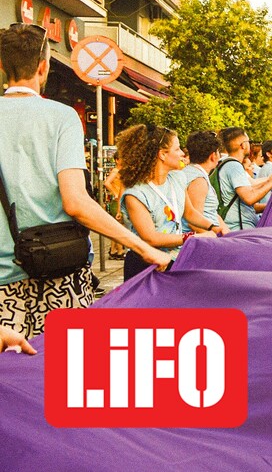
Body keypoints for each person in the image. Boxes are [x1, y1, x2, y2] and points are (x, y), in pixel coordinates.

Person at [0, 24, 169, 336]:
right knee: (66, 375)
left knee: (9, 380)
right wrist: (143, 247)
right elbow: (75, 202)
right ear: (43, 66)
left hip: (2, 285)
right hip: (59, 275)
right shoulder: (60, 117)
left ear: (2, 66)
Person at [117, 124, 218, 280]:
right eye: (177, 149)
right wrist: (191, 238)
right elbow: (151, 237)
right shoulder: (136, 194)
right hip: (146, 264)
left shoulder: (178, 178)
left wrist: (213, 227)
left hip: (175, 259)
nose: (182, 154)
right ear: (162, 154)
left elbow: (189, 212)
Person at [214, 128, 272, 230]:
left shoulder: (225, 164)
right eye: (249, 142)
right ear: (243, 145)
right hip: (239, 230)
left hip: (236, 227)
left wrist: (270, 180)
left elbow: (249, 188)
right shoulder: (233, 166)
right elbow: (249, 198)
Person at [180, 131, 229, 237]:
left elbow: (210, 213)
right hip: (204, 241)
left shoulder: (191, 173)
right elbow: (194, 222)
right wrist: (217, 238)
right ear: (213, 156)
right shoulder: (198, 180)